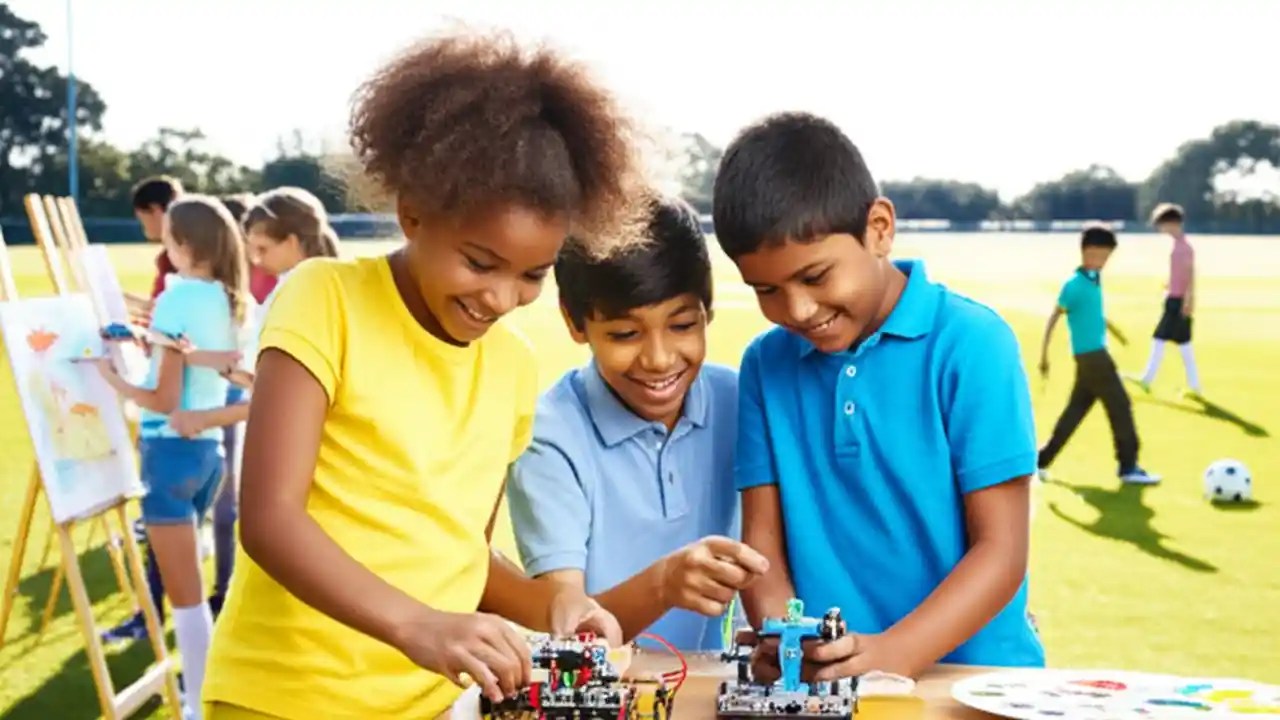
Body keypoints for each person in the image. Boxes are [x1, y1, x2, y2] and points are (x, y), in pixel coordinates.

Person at [203, 29, 647, 720]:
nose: (501, 297)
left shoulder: (512, 365)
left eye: (532, 275)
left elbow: (459, 555)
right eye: (480, 262)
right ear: (412, 212)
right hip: (283, 699)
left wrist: (555, 603)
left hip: (432, 706)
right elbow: (268, 520)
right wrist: (418, 626)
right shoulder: (325, 299)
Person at [711, 112, 1044, 682]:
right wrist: (784, 639)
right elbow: (762, 546)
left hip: (977, 682)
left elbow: (1002, 551)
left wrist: (888, 658)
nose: (797, 310)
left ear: (880, 228)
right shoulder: (766, 365)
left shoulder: (972, 344)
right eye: (766, 289)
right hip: (830, 687)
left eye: (815, 276)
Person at [506, 195, 768, 652]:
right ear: (574, 321)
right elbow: (568, 623)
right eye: (625, 334)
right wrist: (663, 584)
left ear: (707, 310)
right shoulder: (548, 436)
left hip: (711, 679)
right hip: (613, 683)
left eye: (682, 325)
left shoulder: (740, 400)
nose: (659, 359)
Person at [95, 195, 249, 719]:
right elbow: (196, 368)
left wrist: (114, 379)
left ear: (183, 245)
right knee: (192, 592)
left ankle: (198, 703)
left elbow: (163, 399)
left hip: (169, 452)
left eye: (167, 242)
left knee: (187, 600)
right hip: (206, 456)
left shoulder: (177, 298)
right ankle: (201, 697)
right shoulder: (226, 297)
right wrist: (148, 344)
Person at [168, 188, 343, 614]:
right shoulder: (322, 287)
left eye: (263, 248)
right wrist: (205, 360)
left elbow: (281, 397)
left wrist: (208, 416)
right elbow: (260, 379)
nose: (256, 260)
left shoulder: (300, 293)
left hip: (305, 457)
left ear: (293, 242)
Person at [103, 174, 187, 644]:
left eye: (143, 219)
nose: (146, 230)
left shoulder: (179, 275)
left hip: (175, 428)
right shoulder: (194, 283)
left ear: (157, 212)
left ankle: (151, 619)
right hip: (190, 429)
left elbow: (171, 345)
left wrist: (116, 378)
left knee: (166, 535)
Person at [1036, 224, 1159, 484]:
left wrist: (1114, 330)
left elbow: (1092, 313)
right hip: (1094, 358)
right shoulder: (1074, 285)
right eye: (1100, 256)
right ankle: (1128, 467)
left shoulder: (1092, 280)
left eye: (1107, 257)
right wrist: (1044, 355)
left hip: (1090, 356)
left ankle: (1039, 462)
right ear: (1087, 252)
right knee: (1120, 406)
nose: (1103, 262)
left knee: (1075, 411)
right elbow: (1054, 317)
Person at [1133, 203, 1201, 397]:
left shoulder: (1184, 248)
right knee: (1184, 345)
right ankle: (1195, 387)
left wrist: (1188, 300)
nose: (1160, 228)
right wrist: (1169, 285)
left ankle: (1147, 379)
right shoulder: (1179, 246)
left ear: (1172, 223)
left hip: (1178, 302)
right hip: (1175, 298)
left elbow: (1190, 275)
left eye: (1162, 224)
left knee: (1159, 338)